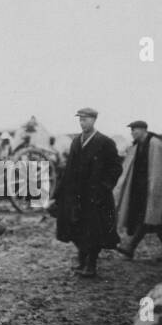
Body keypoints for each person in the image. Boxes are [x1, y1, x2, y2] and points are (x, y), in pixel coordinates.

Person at [53, 107, 123, 277]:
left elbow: (116, 168)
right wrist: (58, 194)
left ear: (93, 120)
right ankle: (82, 262)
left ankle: (90, 265)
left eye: (85, 120)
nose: (82, 123)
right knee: (76, 228)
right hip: (77, 196)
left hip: (96, 197)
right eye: (80, 120)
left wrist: (104, 187)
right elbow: (69, 169)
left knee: (94, 231)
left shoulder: (105, 142)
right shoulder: (76, 141)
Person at [114, 120, 162, 260]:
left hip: (155, 189)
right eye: (131, 130)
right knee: (154, 220)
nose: (132, 133)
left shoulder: (155, 143)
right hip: (141, 189)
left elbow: (161, 167)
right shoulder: (138, 146)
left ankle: (130, 248)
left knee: (149, 217)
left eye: (134, 130)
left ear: (143, 130)